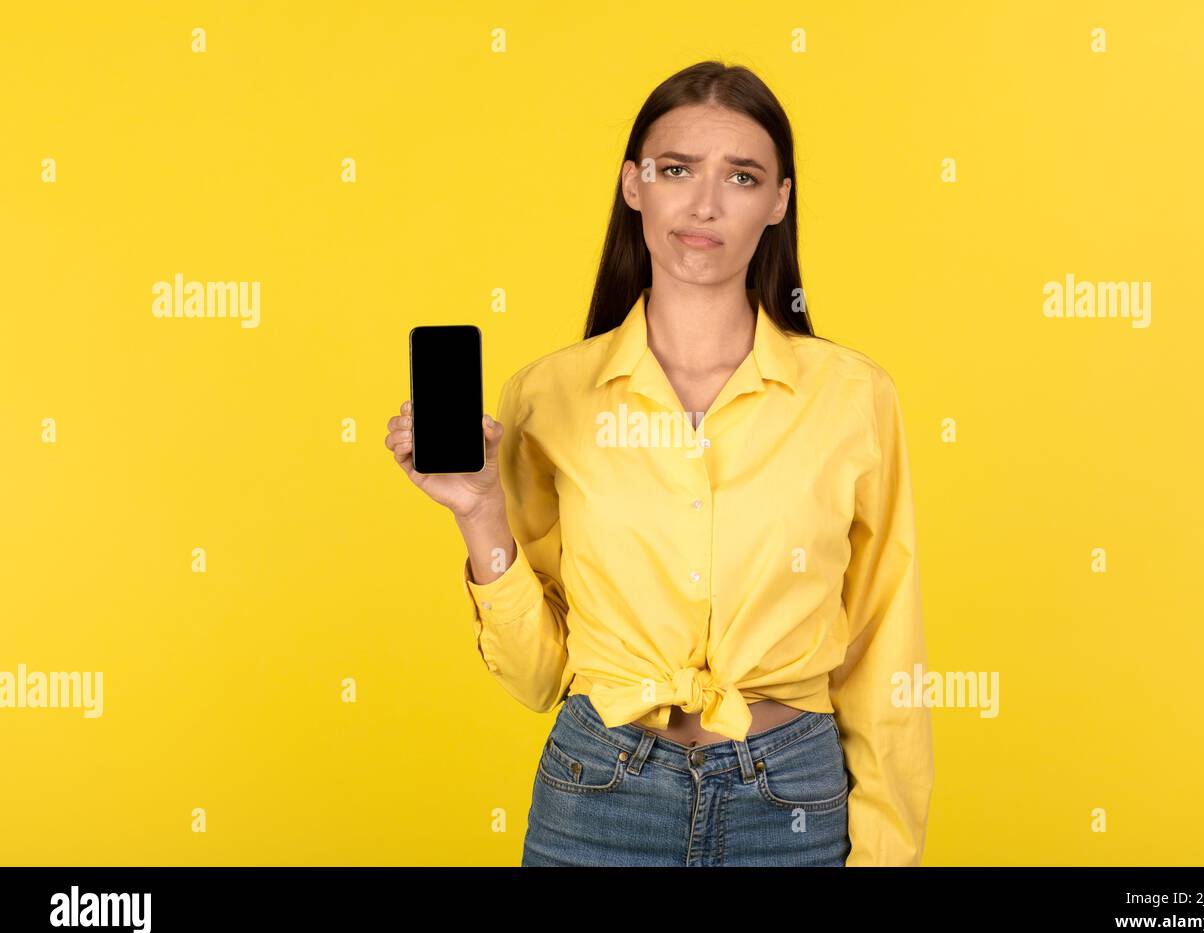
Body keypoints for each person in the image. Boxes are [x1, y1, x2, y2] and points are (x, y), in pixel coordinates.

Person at [386, 60, 934, 866]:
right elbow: (538, 679)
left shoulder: (854, 399)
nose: (704, 204)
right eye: (676, 170)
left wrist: (887, 852)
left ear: (778, 200)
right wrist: (479, 512)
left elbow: (889, 639)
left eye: (741, 177)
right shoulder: (549, 396)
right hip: (600, 791)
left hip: (791, 798)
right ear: (634, 185)